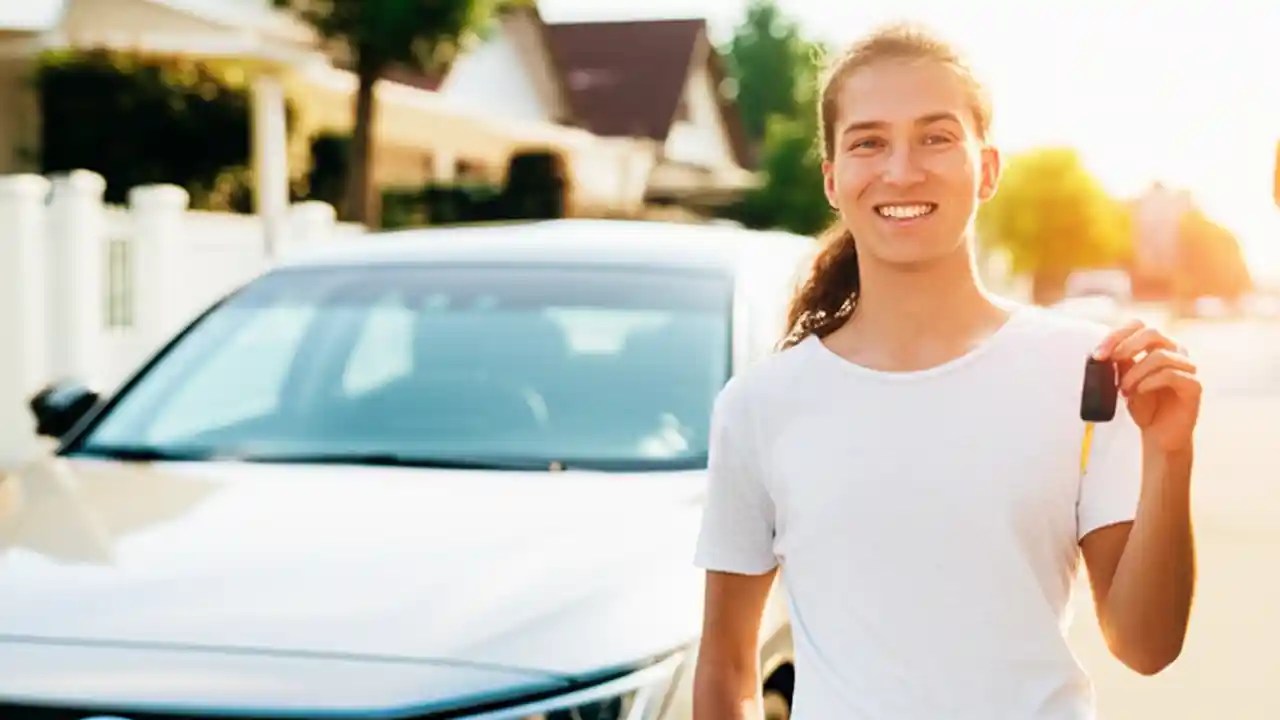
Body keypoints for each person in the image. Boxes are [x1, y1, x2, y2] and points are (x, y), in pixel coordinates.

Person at [691, 22, 1201, 720]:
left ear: (987, 169)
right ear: (834, 180)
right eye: (869, 141)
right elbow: (725, 670)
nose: (901, 171)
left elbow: (1147, 647)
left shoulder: (1086, 371)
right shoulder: (760, 405)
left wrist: (1170, 457)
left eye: (936, 137)